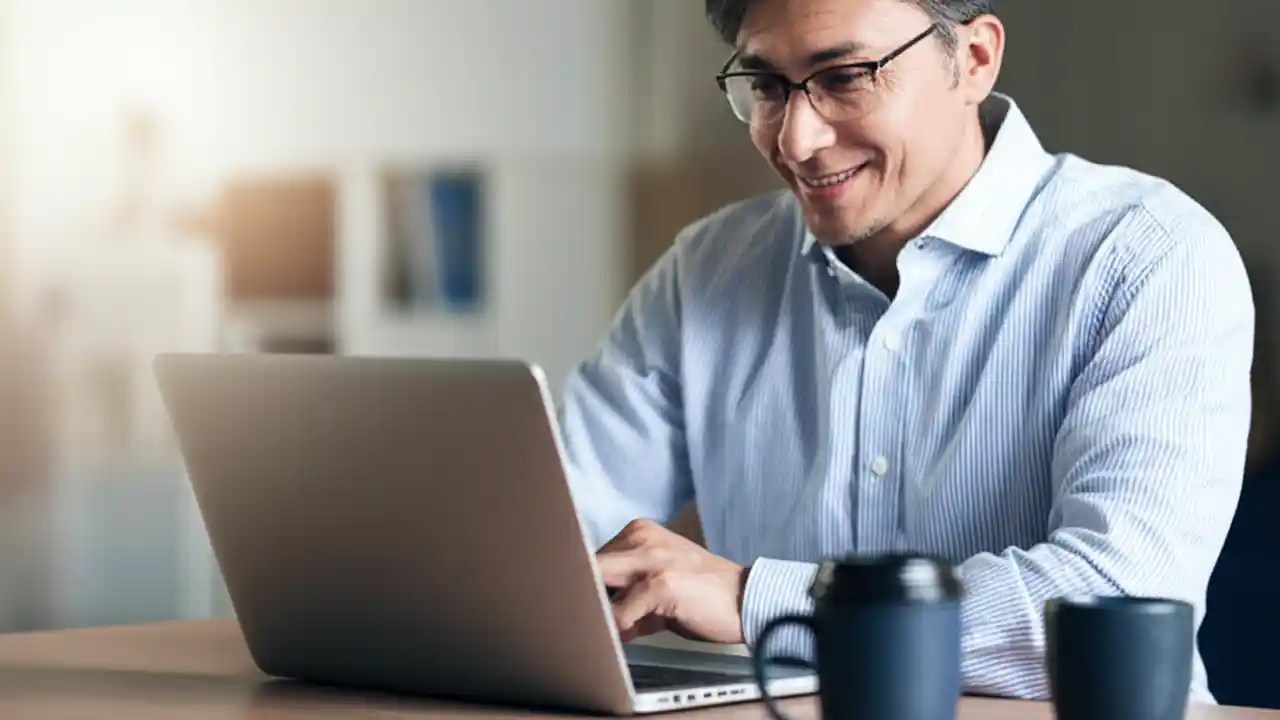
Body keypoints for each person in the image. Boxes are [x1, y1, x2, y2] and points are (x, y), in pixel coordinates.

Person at [558, 0, 1253, 702]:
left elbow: (1116, 598)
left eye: (847, 76)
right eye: (767, 86)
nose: (795, 139)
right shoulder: (706, 269)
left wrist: (751, 600)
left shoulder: (1147, 257)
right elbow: (552, 532)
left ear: (975, 59)